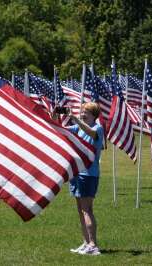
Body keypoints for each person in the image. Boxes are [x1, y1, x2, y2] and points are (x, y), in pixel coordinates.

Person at [59, 102, 104, 256]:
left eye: (86, 112)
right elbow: (60, 130)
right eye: (82, 111)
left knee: (87, 210)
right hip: (77, 173)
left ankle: (93, 244)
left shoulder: (98, 128)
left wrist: (76, 120)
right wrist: (54, 114)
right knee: (81, 211)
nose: (82, 114)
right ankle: (86, 243)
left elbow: (91, 133)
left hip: (89, 175)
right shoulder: (78, 127)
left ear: (94, 115)